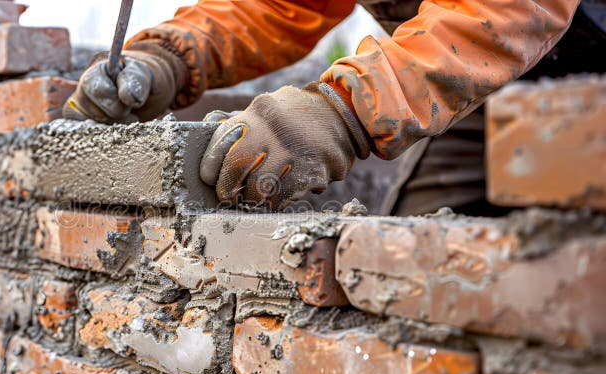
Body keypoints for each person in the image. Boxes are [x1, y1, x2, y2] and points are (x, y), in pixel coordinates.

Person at [63, 0, 605, 215]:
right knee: (414, 272)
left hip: (586, 73)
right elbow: (282, 6)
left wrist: (341, 112)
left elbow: (508, 7)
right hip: (492, 86)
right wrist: (172, 59)